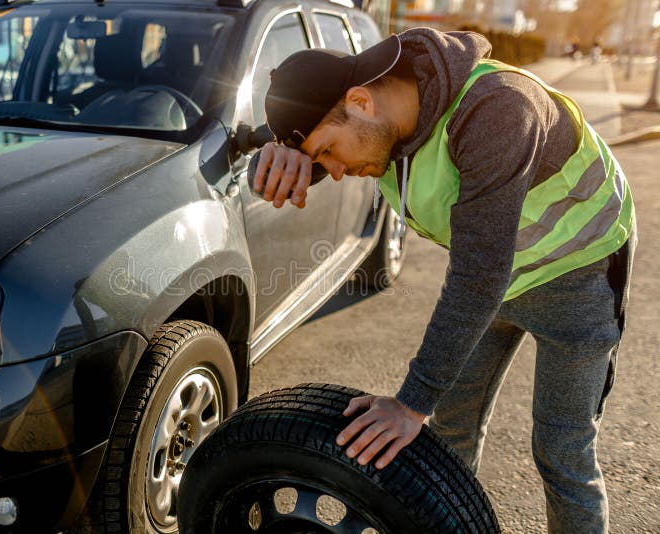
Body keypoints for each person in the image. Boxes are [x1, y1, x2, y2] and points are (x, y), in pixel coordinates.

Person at [252, 27, 636, 533]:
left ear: (361, 100)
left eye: (326, 153)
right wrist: (276, 150)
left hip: (577, 279)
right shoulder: (380, 123)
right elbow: (315, 138)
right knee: (450, 435)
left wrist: (411, 402)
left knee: (562, 455)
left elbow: (480, 272)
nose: (334, 172)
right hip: (492, 285)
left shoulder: (499, 110)